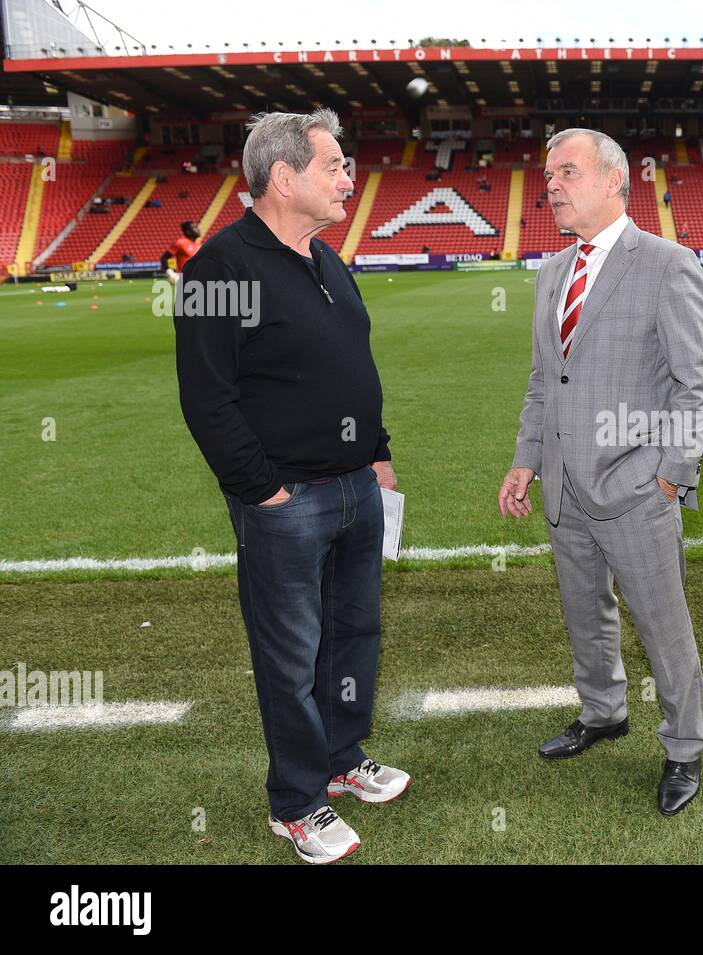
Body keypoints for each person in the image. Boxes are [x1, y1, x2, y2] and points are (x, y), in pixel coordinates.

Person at [174, 109, 408, 865]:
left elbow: (352, 366)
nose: (349, 179)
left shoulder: (325, 258)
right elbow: (207, 398)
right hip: (288, 502)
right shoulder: (219, 267)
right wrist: (264, 491)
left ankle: (343, 755)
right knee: (290, 654)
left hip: (354, 488)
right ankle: (298, 801)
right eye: (335, 165)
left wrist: (376, 453)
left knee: (353, 635)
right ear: (284, 177)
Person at [499, 128, 703, 817]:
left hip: (636, 488)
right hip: (565, 486)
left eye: (568, 172)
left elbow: (696, 383)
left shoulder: (666, 263)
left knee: (663, 625)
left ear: (615, 181)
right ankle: (603, 712)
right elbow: (544, 380)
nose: (552, 186)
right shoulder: (550, 273)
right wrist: (526, 459)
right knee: (583, 614)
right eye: (548, 176)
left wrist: (669, 474)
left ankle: (684, 746)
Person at [161, 220, 202, 285]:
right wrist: (170, 273)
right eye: (195, 227)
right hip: (185, 280)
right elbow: (164, 257)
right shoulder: (180, 243)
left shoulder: (199, 244)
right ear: (188, 231)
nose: (198, 229)